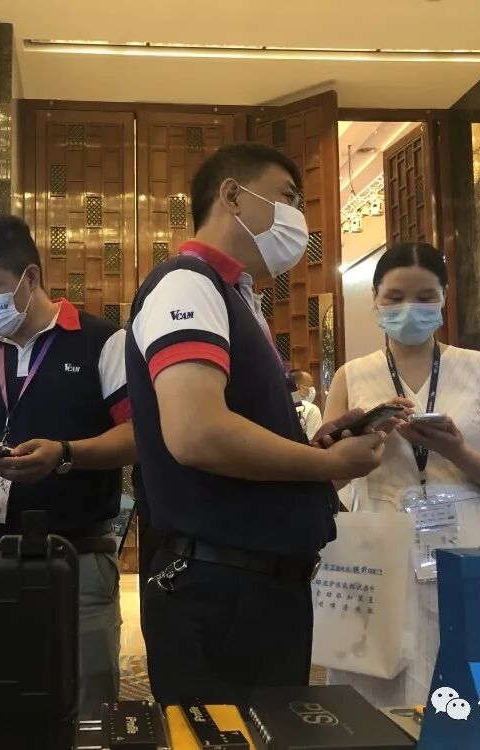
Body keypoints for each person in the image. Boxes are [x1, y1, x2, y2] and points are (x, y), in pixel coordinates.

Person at [125, 142, 391, 705]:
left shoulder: (236, 298)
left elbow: (238, 428)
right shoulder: (187, 284)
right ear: (232, 196)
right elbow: (196, 432)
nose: (297, 218)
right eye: (287, 198)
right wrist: (321, 463)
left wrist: (317, 449)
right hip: (220, 586)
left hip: (254, 583)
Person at [0, 216, 136, 718]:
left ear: (31, 277)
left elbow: (138, 437)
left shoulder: (102, 341)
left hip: (76, 559)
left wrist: (65, 454)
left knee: (85, 707)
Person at [323, 241, 480, 706]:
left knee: (473, 662)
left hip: (465, 535)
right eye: (395, 297)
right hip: (379, 532)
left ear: (443, 297)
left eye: (424, 297)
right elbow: (328, 478)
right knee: (378, 673)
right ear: (375, 298)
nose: (409, 309)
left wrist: (457, 451)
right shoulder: (351, 376)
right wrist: (358, 446)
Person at [291, 368, 323, 440]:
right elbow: (314, 442)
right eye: (311, 385)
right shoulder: (312, 410)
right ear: (298, 387)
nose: (313, 389)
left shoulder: (279, 406)